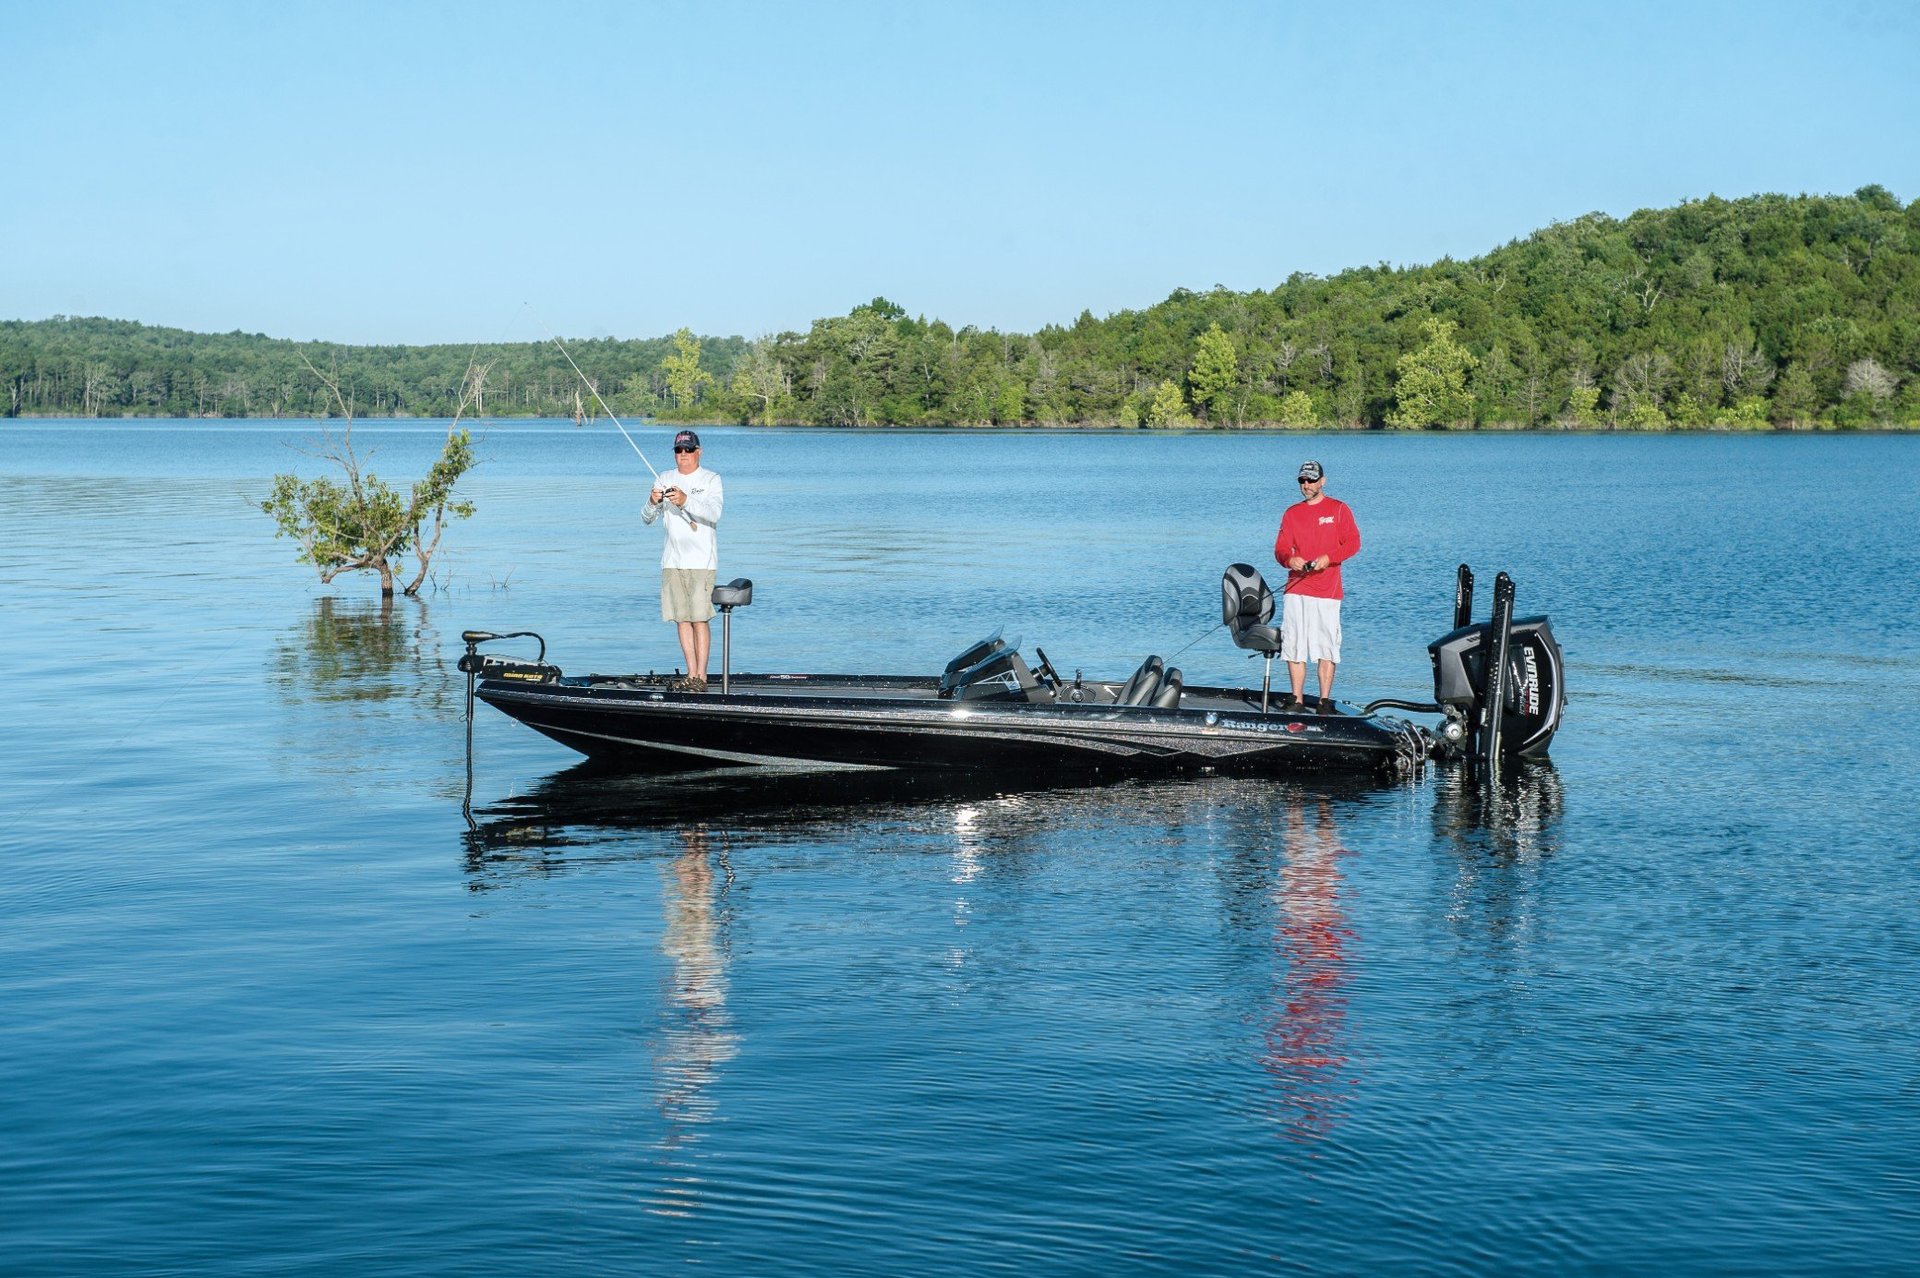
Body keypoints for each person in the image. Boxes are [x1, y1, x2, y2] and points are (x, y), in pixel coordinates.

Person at [1273, 459, 1361, 713]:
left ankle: (1324, 701)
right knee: (1293, 644)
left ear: (1322, 481)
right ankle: (1297, 700)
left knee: (1327, 646)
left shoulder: (1339, 509)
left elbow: (1353, 543)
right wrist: (1290, 560)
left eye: (1311, 480)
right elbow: (1280, 549)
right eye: (1302, 480)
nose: (1307, 485)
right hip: (1296, 588)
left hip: (1327, 591)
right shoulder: (1291, 513)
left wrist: (1328, 558)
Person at [643, 429, 725, 691]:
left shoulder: (711, 479)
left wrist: (686, 500)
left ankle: (701, 676)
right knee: (681, 618)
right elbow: (646, 518)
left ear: (698, 452)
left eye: (689, 449)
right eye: (679, 450)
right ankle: (690, 674)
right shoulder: (664, 477)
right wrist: (652, 502)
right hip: (672, 561)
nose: (683, 454)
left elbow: (714, 514)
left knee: (699, 618)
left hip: (701, 562)